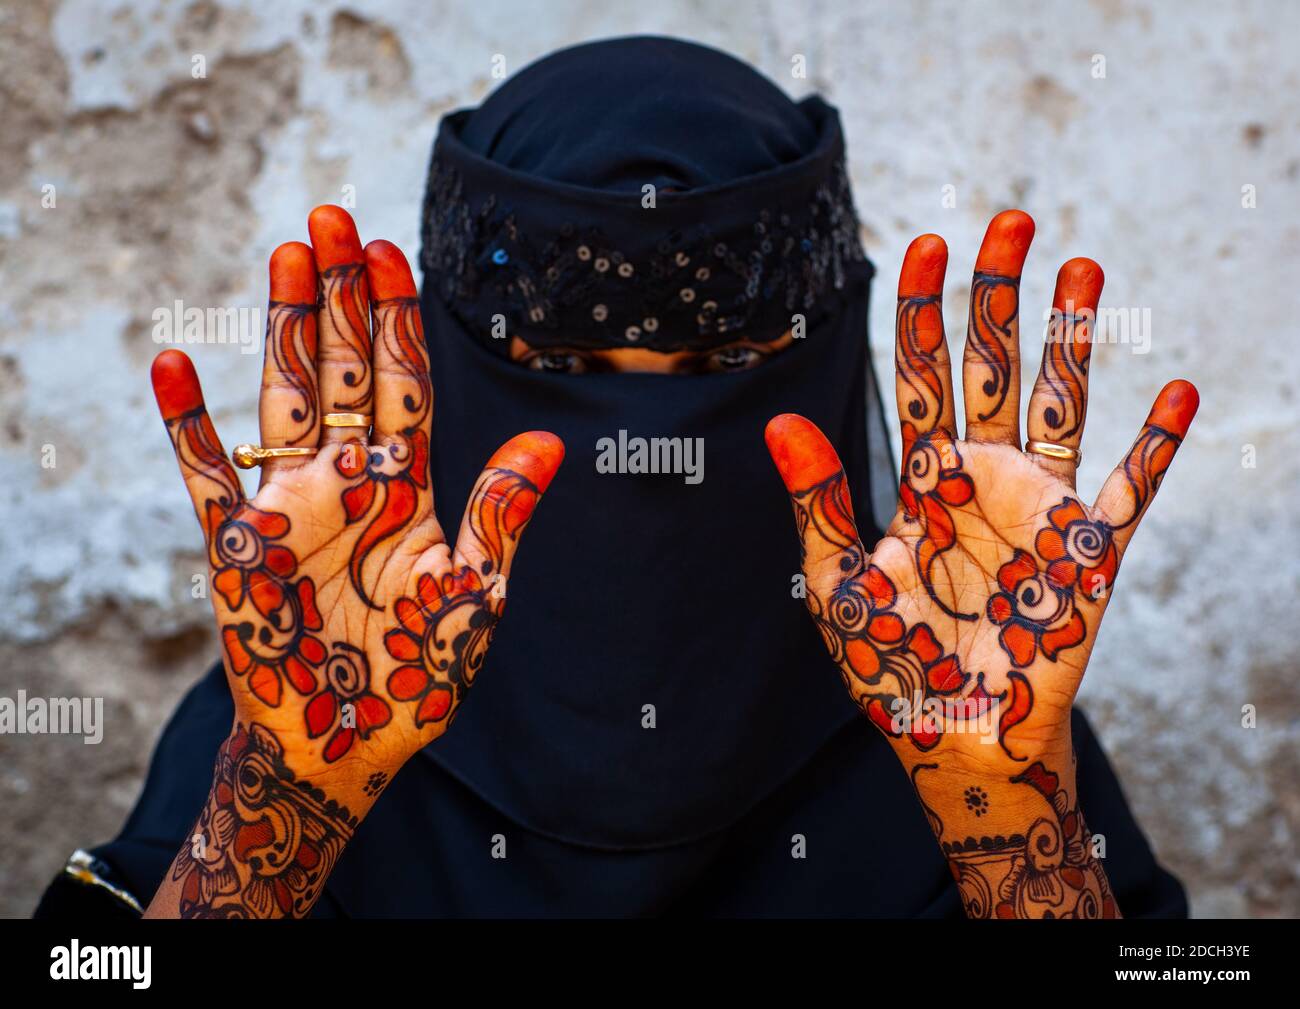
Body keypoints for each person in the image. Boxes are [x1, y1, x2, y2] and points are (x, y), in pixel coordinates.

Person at [36, 36, 1193, 918]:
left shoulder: (962, 710)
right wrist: (282, 811)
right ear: (447, 369)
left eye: (728, 363)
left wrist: (1002, 819)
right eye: (560, 368)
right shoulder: (313, 707)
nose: (647, 447)